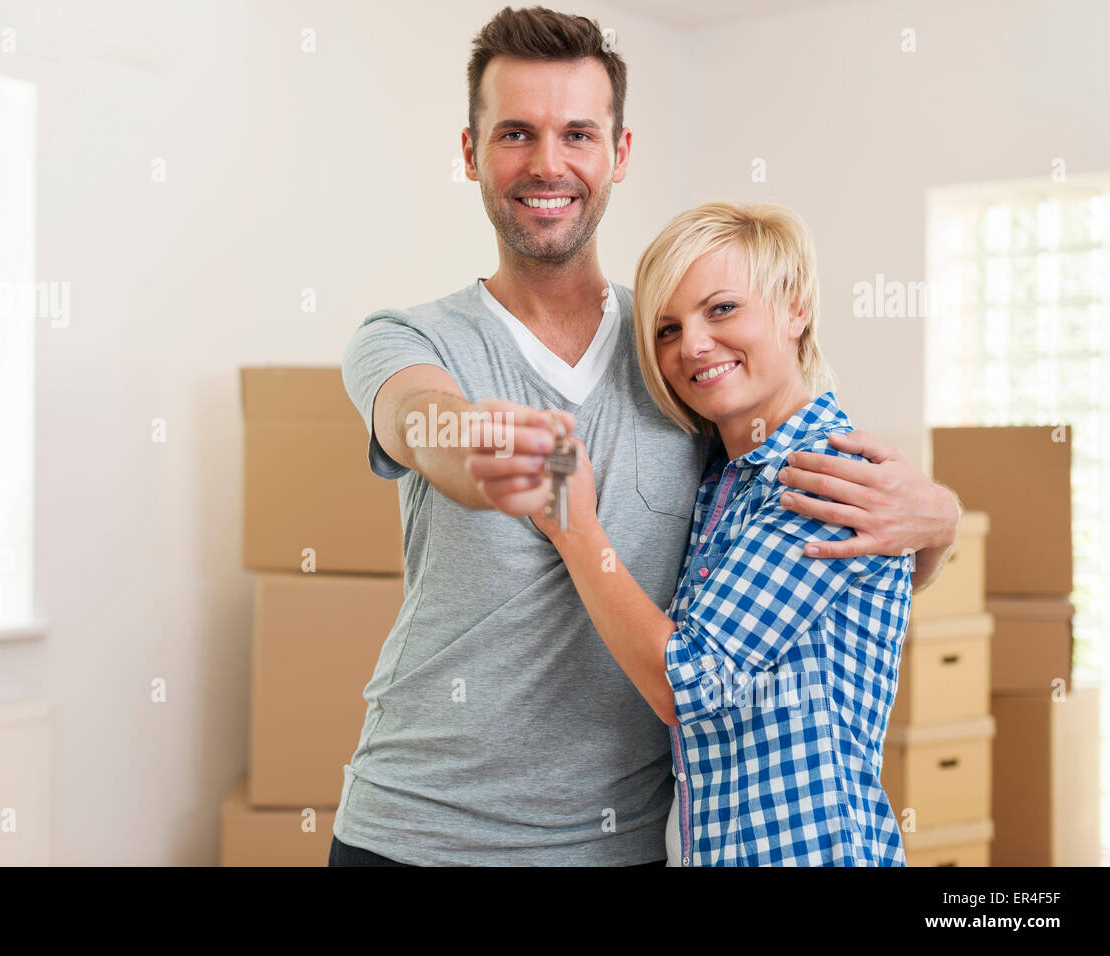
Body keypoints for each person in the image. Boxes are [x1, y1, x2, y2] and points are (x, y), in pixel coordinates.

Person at [330, 5, 959, 867]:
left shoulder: (681, 363)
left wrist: (938, 520)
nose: (547, 163)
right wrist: (477, 440)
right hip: (415, 834)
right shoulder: (410, 338)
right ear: (471, 152)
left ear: (618, 154)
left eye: (577, 134)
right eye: (515, 133)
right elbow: (418, 420)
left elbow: (799, 582)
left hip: (619, 846)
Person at [531, 200, 911, 865]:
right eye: (668, 329)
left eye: (723, 309)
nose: (693, 346)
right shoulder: (721, 483)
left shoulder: (828, 478)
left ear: (795, 309)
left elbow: (688, 684)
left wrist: (574, 526)